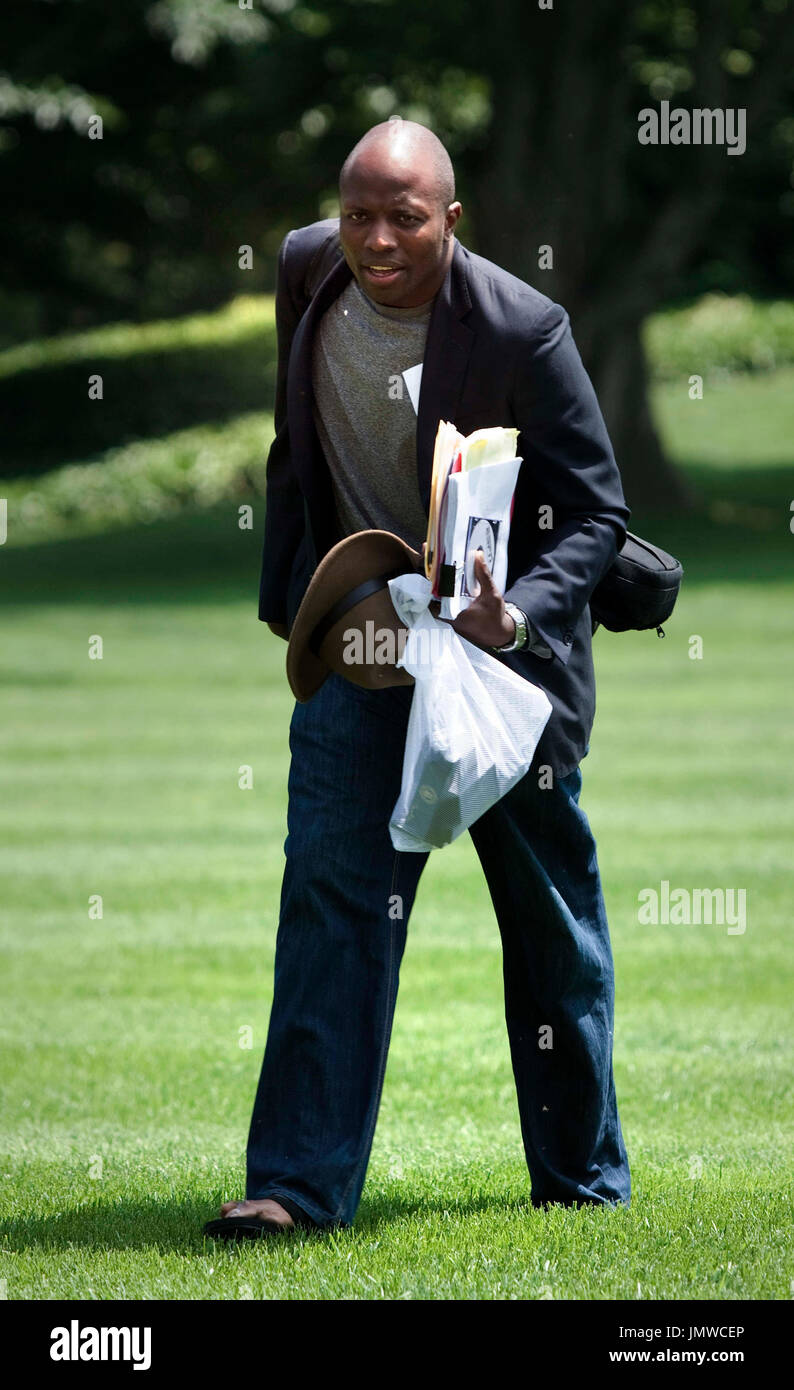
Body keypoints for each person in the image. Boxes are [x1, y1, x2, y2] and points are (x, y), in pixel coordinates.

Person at [204, 117, 632, 1241]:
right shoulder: (308, 269)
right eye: (358, 214)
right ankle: (295, 1186)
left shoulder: (521, 327)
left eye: (405, 216)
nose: (378, 238)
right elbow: (294, 446)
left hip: (498, 668)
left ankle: (581, 1180)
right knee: (330, 912)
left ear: (452, 216)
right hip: (361, 646)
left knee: (549, 928)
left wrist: (516, 612)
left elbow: (595, 513)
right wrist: (295, 599)